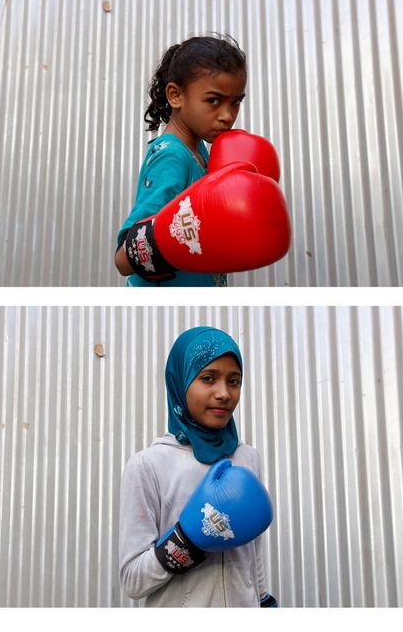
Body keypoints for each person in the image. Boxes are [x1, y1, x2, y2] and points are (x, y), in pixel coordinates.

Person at [117, 326, 278, 607]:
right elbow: (132, 580)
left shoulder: (247, 457)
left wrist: (263, 600)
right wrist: (185, 542)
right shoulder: (148, 465)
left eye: (234, 381)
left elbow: (254, 551)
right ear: (180, 382)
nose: (224, 393)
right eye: (207, 378)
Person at [111, 35, 290, 285]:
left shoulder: (203, 150)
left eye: (235, 102)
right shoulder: (171, 156)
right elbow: (122, 260)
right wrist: (165, 236)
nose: (227, 116)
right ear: (175, 95)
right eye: (213, 101)